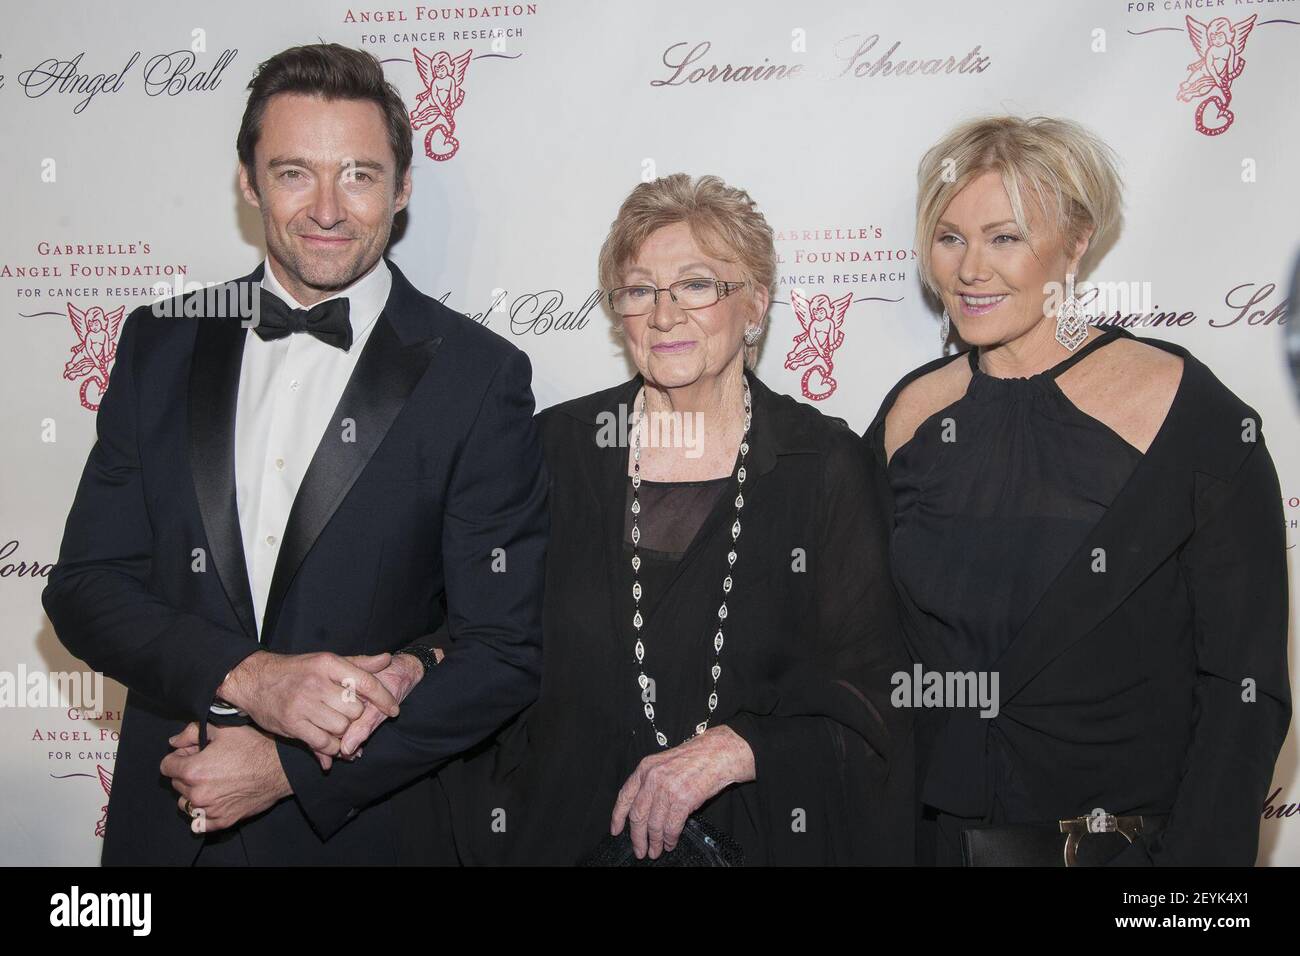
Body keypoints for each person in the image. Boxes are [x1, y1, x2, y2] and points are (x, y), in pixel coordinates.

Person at [41, 43, 548, 865]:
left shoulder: (477, 378)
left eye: (358, 174)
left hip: (361, 834)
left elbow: (500, 655)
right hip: (166, 831)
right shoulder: (158, 345)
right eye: (292, 173)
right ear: (248, 182)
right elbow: (85, 588)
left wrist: (288, 770)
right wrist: (250, 676)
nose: (327, 208)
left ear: (403, 187)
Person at [419, 173, 912, 865]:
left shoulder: (823, 464)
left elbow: (877, 696)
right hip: (558, 836)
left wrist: (745, 747)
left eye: (697, 285)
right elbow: (479, 626)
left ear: (756, 305)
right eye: (640, 289)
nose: (663, 314)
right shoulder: (554, 449)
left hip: (759, 839)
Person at [863, 115, 1290, 865]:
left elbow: (1243, 692)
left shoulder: (1193, 416)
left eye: (1005, 237)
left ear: (1077, 242)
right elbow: (859, 649)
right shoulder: (909, 416)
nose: (970, 268)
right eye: (950, 236)